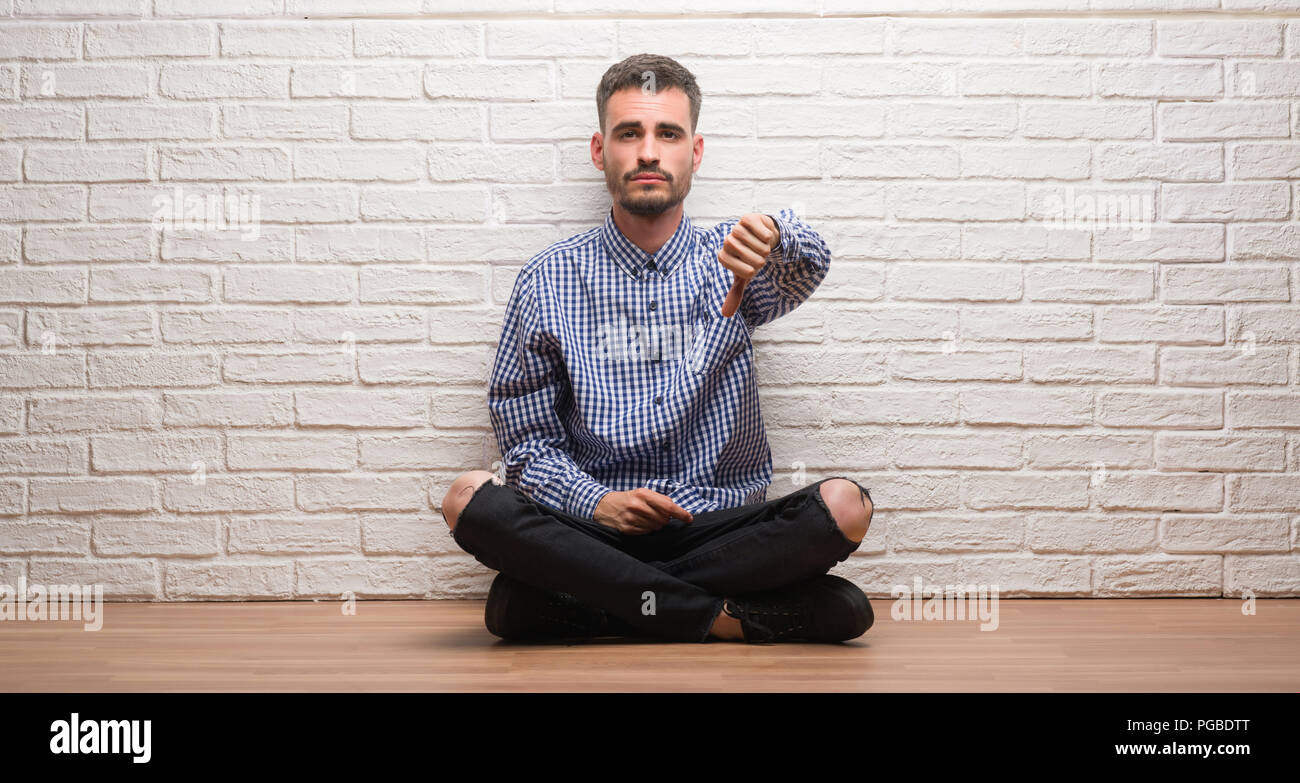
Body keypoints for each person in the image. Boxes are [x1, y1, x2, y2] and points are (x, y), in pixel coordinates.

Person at [440, 53, 874, 644]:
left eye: (668, 133)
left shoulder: (737, 259)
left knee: (846, 506)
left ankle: (600, 601)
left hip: (720, 528)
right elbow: (527, 444)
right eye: (629, 134)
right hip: (594, 533)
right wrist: (598, 503)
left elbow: (809, 263)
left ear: (694, 152)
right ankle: (714, 617)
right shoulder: (547, 279)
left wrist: (776, 231)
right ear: (601, 151)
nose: (648, 152)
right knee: (467, 497)